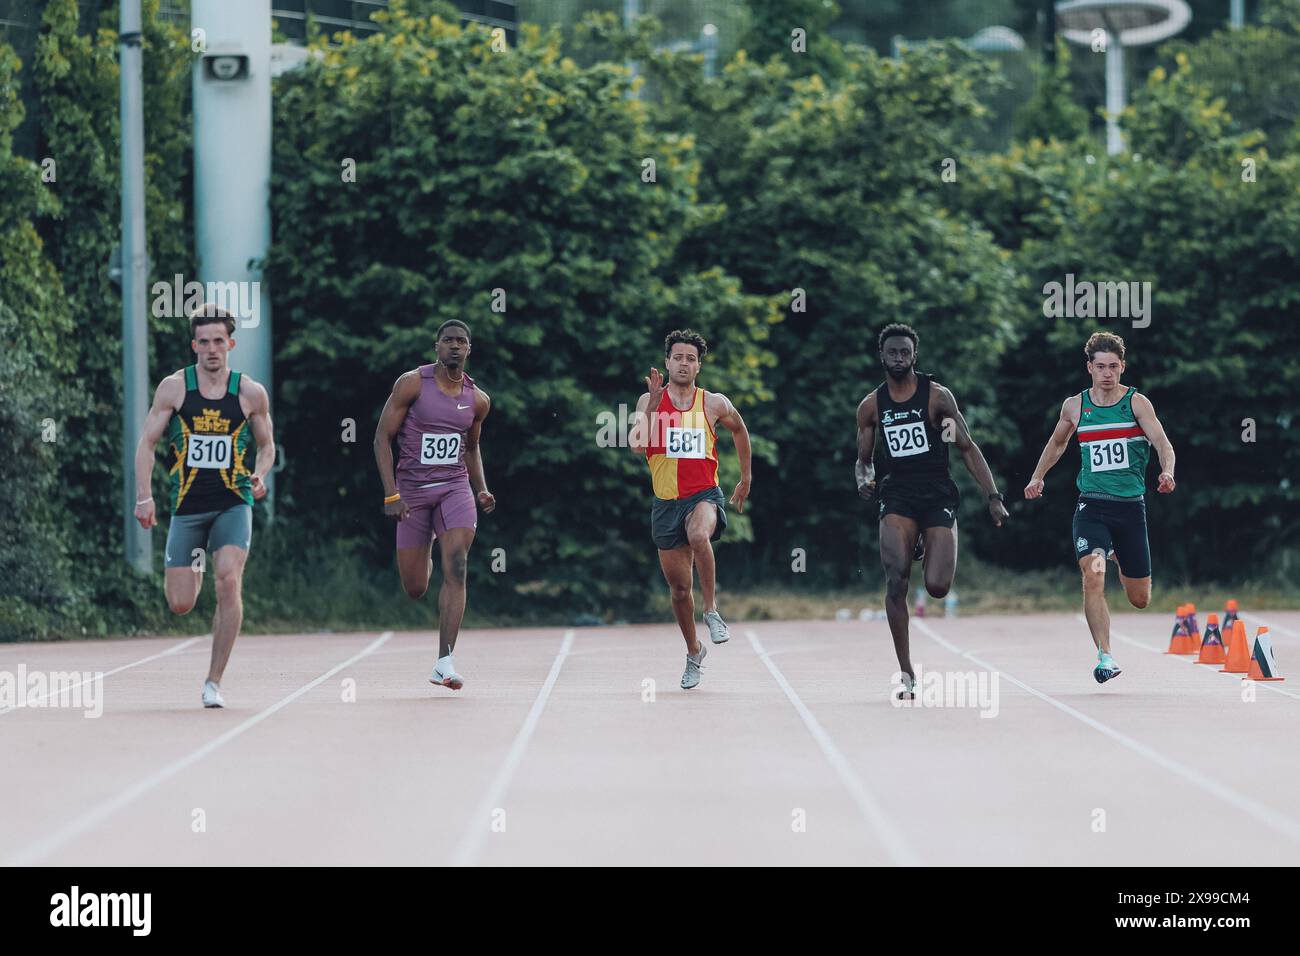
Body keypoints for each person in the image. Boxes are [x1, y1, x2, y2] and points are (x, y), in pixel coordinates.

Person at [134, 305, 275, 708]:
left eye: (219, 341)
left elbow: (267, 446)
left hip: (233, 502)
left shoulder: (250, 393)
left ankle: (213, 681)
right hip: (188, 507)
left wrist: (261, 473)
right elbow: (147, 444)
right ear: (194, 345)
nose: (212, 348)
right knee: (181, 603)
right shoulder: (174, 389)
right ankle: (195, 560)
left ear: (230, 343)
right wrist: (144, 496)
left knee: (228, 579)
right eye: (204, 341)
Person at [856, 323, 1007, 699]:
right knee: (897, 580)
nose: (898, 358)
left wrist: (993, 496)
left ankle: (932, 535)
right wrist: (864, 478)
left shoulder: (937, 398)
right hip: (897, 496)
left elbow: (967, 448)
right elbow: (863, 461)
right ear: (882, 356)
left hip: (937, 492)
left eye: (905, 352)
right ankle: (906, 672)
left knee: (938, 587)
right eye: (892, 352)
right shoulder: (871, 406)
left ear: (914, 356)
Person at [1024, 331, 1176, 683]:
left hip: (1130, 510)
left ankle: (1119, 554)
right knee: (1093, 577)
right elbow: (1057, 443)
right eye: (1100, 367)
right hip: (1091, 508)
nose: (1107, 373)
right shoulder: (1075, 406)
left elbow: (1163, 443)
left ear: (1122, 367)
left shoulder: (1138, 404)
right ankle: (1105, 655)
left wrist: (1167, 472)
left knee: (1140, 598)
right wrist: (1037, 477)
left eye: (1113, 367)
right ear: (1089, 367)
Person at [373, 319, 495, 690]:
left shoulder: (478, 400)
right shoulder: (412, 384)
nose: (454, 347)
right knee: (415, 587)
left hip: (454, 488)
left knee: (457, 564)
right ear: (436, 346)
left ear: (469, 349)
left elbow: (471, 447)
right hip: (411, 492)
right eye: (448, 341)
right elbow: (382, 438)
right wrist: (391, 494)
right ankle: (424, 548)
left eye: (461, 341)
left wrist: (481, 489)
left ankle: (444, 661)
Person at [629, 329, 751, 690]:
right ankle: (694, 651)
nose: (684, 363)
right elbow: (637, 448)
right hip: (666, 504)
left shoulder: (713, 403)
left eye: (690, 358)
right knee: (680, 591)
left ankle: (712, 611)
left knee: (700, 534)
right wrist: (652, 404)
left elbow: (740, 431)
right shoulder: (646, 401)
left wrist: (745, 478)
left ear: (699, 365)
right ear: (667, 362)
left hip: (704, 495)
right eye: (678, 357)